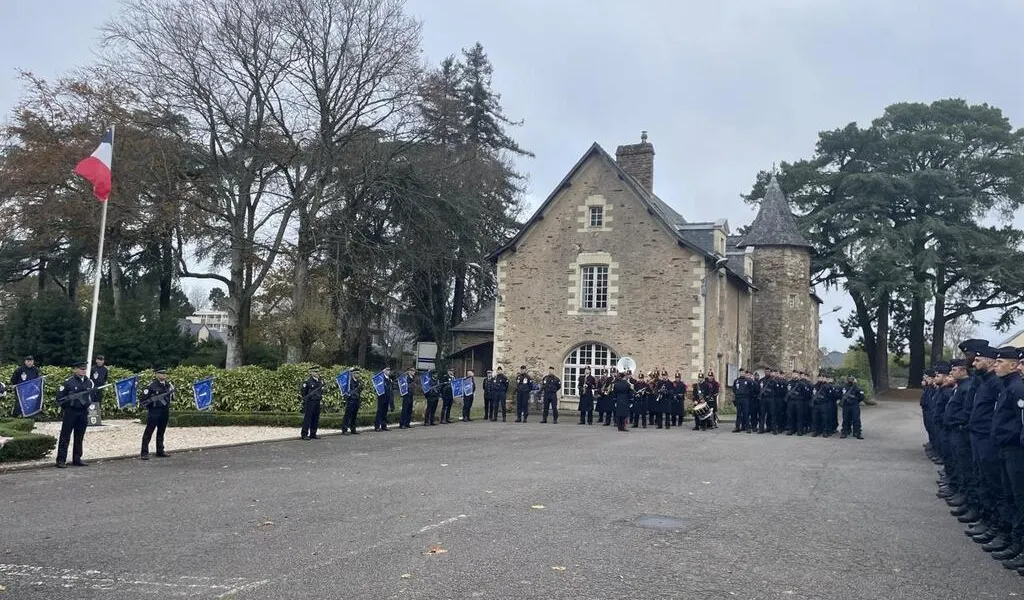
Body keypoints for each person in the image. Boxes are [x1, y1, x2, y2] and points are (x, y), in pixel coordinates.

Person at [54, 363, 93, 468]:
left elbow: (90, 396)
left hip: (83, 412)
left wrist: (86, 404)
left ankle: (77, 458)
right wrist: (69, 406)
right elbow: (60, 398)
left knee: (79, 437)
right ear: (75, 369)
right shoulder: (68, 382)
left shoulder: (88, 382)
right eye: (81, 369)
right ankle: (61, 460)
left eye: (84, 369)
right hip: (71, 412)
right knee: (65, 436)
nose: (83, 371)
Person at [140, 368, 174, 459]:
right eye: (161, 373)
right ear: (157, 374)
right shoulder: (151, 386)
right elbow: (143, 399)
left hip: (165, 410)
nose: (164, 375)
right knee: (149, 431)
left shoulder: (168, 385)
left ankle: (160, 450)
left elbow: (171, 397)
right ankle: (144, 452)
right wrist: (152, 404)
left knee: (161, 431)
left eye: (165, 373)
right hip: (154, 411)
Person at [299, 367, 323, 440]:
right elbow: (304, 392)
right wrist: (306, 401)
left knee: (315, 418)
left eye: (318, 371)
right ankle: (304, 434)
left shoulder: (320, 381)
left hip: (317, 401)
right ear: (311, 373)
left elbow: (321, 391)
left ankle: (313, 433)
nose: (317, 373)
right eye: (315, 372)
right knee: (308, 418)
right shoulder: (307, 381)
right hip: (310, 402)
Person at [839, 375, 865, 439]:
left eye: (852, 378)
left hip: (854, 405)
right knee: (845, 419)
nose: (850, 379)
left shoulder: (857, 387)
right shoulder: (844, 387)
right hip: (846, 405)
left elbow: (861, 397)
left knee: (856, 419)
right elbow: (840, 395)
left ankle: (857, 433)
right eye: (849, 378)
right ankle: (844, 432)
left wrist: (855, 399)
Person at [374, 367, 394, 432]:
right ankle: (377, 426)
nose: (389, 371)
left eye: (389, 370)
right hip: (382, 396)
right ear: (383, 371)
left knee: (385, 412)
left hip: (387, 396)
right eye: (387, 370)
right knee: (380, 411)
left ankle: (384, 425)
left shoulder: (389, 379)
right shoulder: (381, 378)